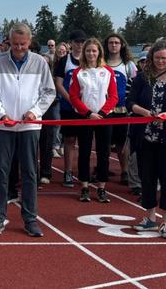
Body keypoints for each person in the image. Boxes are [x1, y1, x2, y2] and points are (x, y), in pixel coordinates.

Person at [0, 23, 56, 237]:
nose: (18, 48)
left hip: (30, 126)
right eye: (15, 44)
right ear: (9, 41)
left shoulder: (40, 63)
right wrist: (1, 114)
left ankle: (30, 219)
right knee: (1, 173)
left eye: (23, 45)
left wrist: (34, 112)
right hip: (3, 126)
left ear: (30, 42)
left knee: (30, 173)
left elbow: (49, 92)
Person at [127, 41, 166, 239]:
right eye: (157, 58)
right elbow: (129, 102)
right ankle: (149, 218)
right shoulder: (142, 78)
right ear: (151, 59)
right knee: (147, 178)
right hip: (146, 137)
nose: (161, 61)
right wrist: (145, 112)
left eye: (164, 58)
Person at [69, 38, 118, 203]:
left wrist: (103, 113)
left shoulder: (108, 71)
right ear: (84, 53)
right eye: (88, 51)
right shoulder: (78, 72)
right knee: (84, 151)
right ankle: (84, 186)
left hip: (105, 117)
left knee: (104, 152)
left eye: (94, 51)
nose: (91, 53)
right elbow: (74, 96)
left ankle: (102, 188)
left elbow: (113, 96)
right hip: (85, 116)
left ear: (99, 53)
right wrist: (88, 113)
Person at [104, 33, 137, 186]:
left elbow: (135, 84)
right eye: (111, 42)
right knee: (103, 142)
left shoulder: (128, 64)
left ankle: (124, 171)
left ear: (122, 45)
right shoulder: (101, 62)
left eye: (117, 42)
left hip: (121, 109)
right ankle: (102, 169)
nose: (114, 45)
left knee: (121, 143)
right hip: (104, 110)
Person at [54, 29, 86, 187]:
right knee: (69, 140)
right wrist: (73, 101)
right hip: (69, 107)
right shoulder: (64, 61)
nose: (80, 45)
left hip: (88, 108)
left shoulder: (91, 59)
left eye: (82, 42)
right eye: (77, 42)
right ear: (71, 43)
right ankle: (68, 171)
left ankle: (84, 171)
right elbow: (58, 84)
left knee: (85, 141)